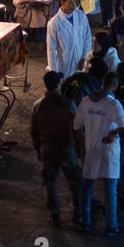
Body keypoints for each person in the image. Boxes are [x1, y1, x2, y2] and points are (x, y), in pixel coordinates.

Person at [73, 66, 124, 236]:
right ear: (115, 86)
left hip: (91, 150)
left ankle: (85, 221)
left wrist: (82, 147)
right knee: (110, 189)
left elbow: (76, 127)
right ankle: (112, 225)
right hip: (109, 151)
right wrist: (112, 134)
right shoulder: (114, 104)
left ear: (102, 83)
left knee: (86, 187)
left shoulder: (86, 102)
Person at [31, 70, 81, 227]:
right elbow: (78, 128)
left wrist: (38, 148)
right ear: (58, 84)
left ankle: (55, 214)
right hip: (66, 147)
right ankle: (78, 213)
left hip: (48, 147)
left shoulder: (38, 105)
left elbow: (34, 130)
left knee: (50, 182)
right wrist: (80, 149)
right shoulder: (68, 104)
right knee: (75, 182)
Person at [47, 0, 93, 80]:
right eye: (70, 3)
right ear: (62, 3)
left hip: (81, 64)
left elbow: (87, 38)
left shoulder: (81, 15)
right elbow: (51, 50)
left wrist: (84, 58)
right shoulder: (54, 23)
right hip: (65, 66)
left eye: (74, 2)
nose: (74, 6)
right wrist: (54, 73)